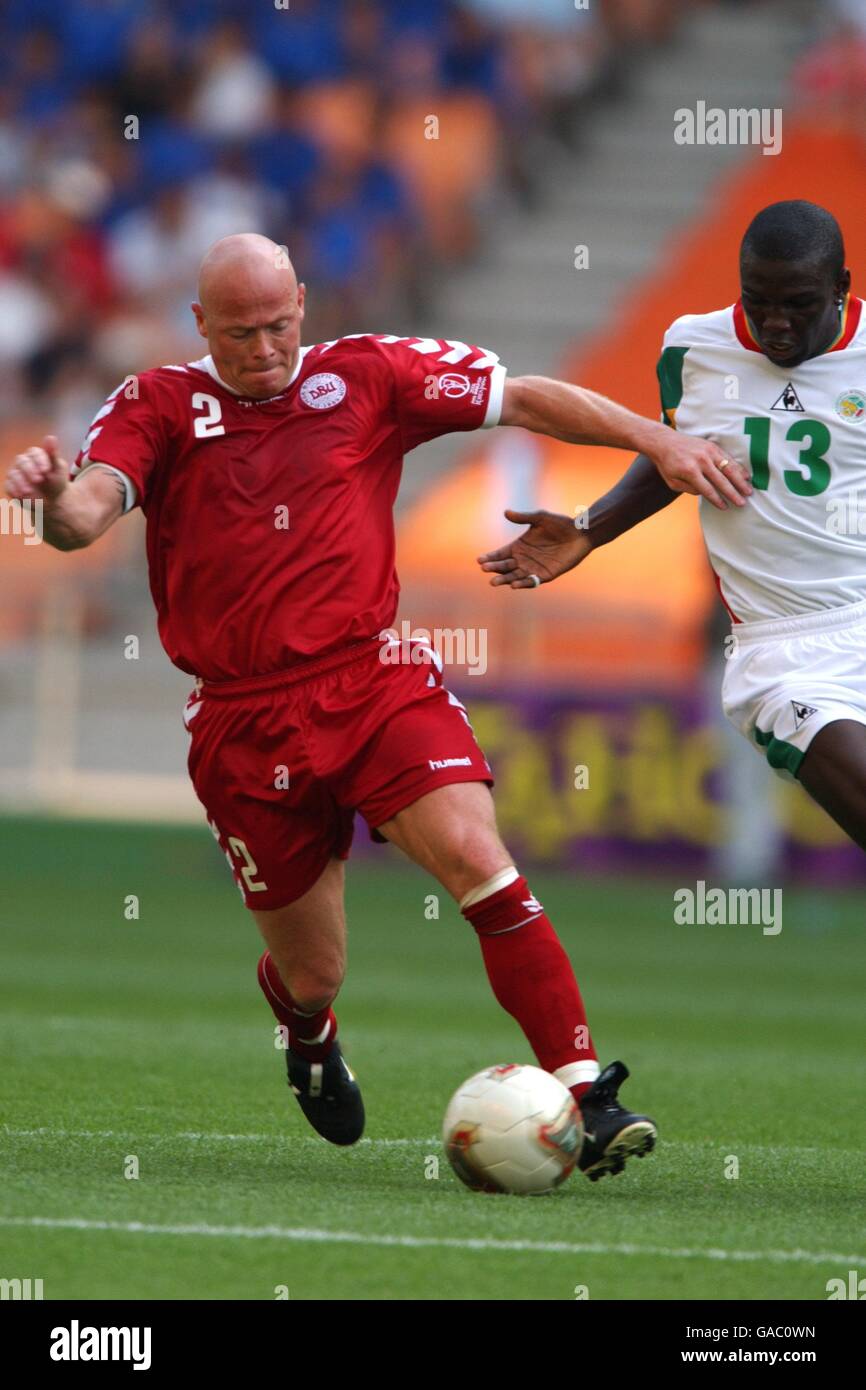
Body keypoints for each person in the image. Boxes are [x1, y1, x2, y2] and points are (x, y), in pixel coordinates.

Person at [5, 233, 745, 1181]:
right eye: (239, 334)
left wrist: (658, 439)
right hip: (241, 719)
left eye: (278, 326)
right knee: (314, 974)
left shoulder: (368, 376)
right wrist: (54, 499)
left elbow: (522, 395)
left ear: (304, 306)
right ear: (200, 325)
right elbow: (86, 514)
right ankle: (309, 1041)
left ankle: (587, 1092)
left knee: (481, 862)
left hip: (372, 680)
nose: (264, 349)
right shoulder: (158, 404)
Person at [479, 200, 866, 861]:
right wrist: (589, 527)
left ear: (841, 288)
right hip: (785, 654)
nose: (774, 323)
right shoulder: (693, 349)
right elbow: (677, 457)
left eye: (798, 303)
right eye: (757, 301)